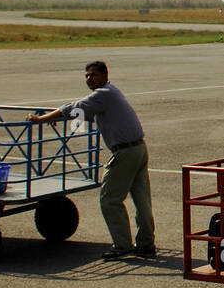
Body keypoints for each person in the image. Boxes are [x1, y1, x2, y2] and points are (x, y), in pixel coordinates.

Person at [28, 61, 155, 260]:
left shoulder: (103, 94)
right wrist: (58, 116)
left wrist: (41, 119)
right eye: (87, 76)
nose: (89, 79)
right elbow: (86, 114)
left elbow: (73, 107)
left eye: (93, 75)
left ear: (105, 76)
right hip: (138, 148)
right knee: (141, 199)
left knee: (109, 200)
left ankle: (123, 246)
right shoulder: (110, 92)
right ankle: (146, 245)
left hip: (126, 153)